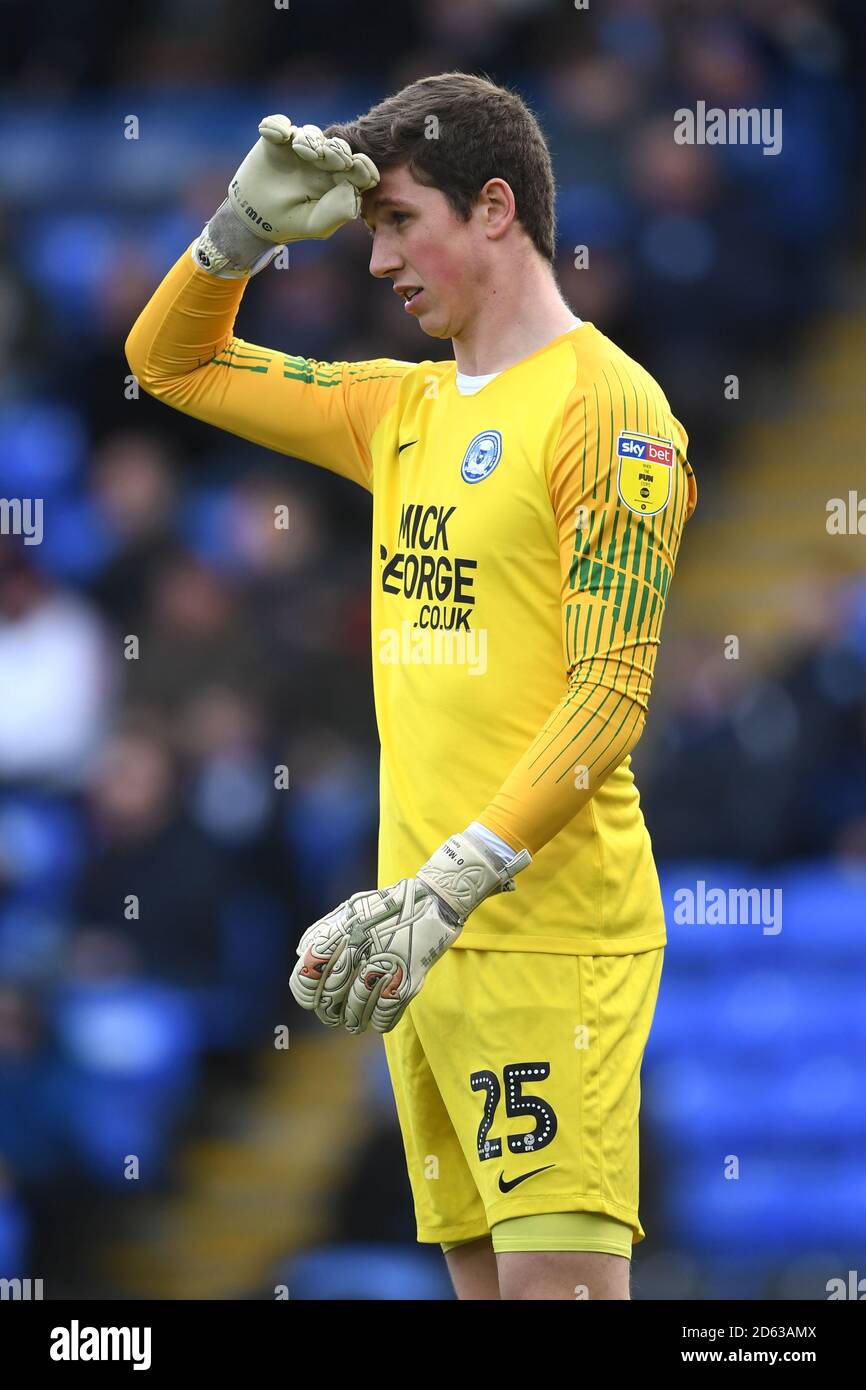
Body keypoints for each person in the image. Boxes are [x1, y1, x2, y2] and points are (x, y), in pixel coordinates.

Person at [126, 71, 697, 1301]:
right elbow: (169, 364)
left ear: (494, 208)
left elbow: (608, 697)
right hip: (423, 944)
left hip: (543, 937)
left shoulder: (613, 411)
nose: (375, 255)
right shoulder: (401, 406)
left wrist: (455, 877)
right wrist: (241, 232)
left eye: (395, 219)